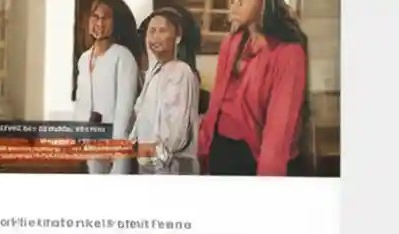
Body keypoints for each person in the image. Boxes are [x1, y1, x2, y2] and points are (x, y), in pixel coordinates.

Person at [197, 0, 312, 177]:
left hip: (253, 156)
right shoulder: (231, 42)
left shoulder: (288, 53)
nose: (234, 7)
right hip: (219, 149)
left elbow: (279, 131)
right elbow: (216, 103)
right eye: (232, 1)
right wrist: (203, 149)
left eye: (242, 1)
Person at [129, 6, 201, 175]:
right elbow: (141, 118)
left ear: (177, 37)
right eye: (152, 31)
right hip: (148, 162)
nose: (155, 37)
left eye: (162, 31)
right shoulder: (154, 73)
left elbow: (176, 132)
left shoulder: (181, 72)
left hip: (170, 166)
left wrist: (157, 155)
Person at [73, 0, 140, 174]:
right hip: (91, 139)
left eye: (106, 18)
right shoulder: (84, 58)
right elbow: (82, 101)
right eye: (95, 17)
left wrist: (116, 144)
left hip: (115, 140)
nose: (100, 23)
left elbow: (124, 108)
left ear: (115, 23)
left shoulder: (123, 57)